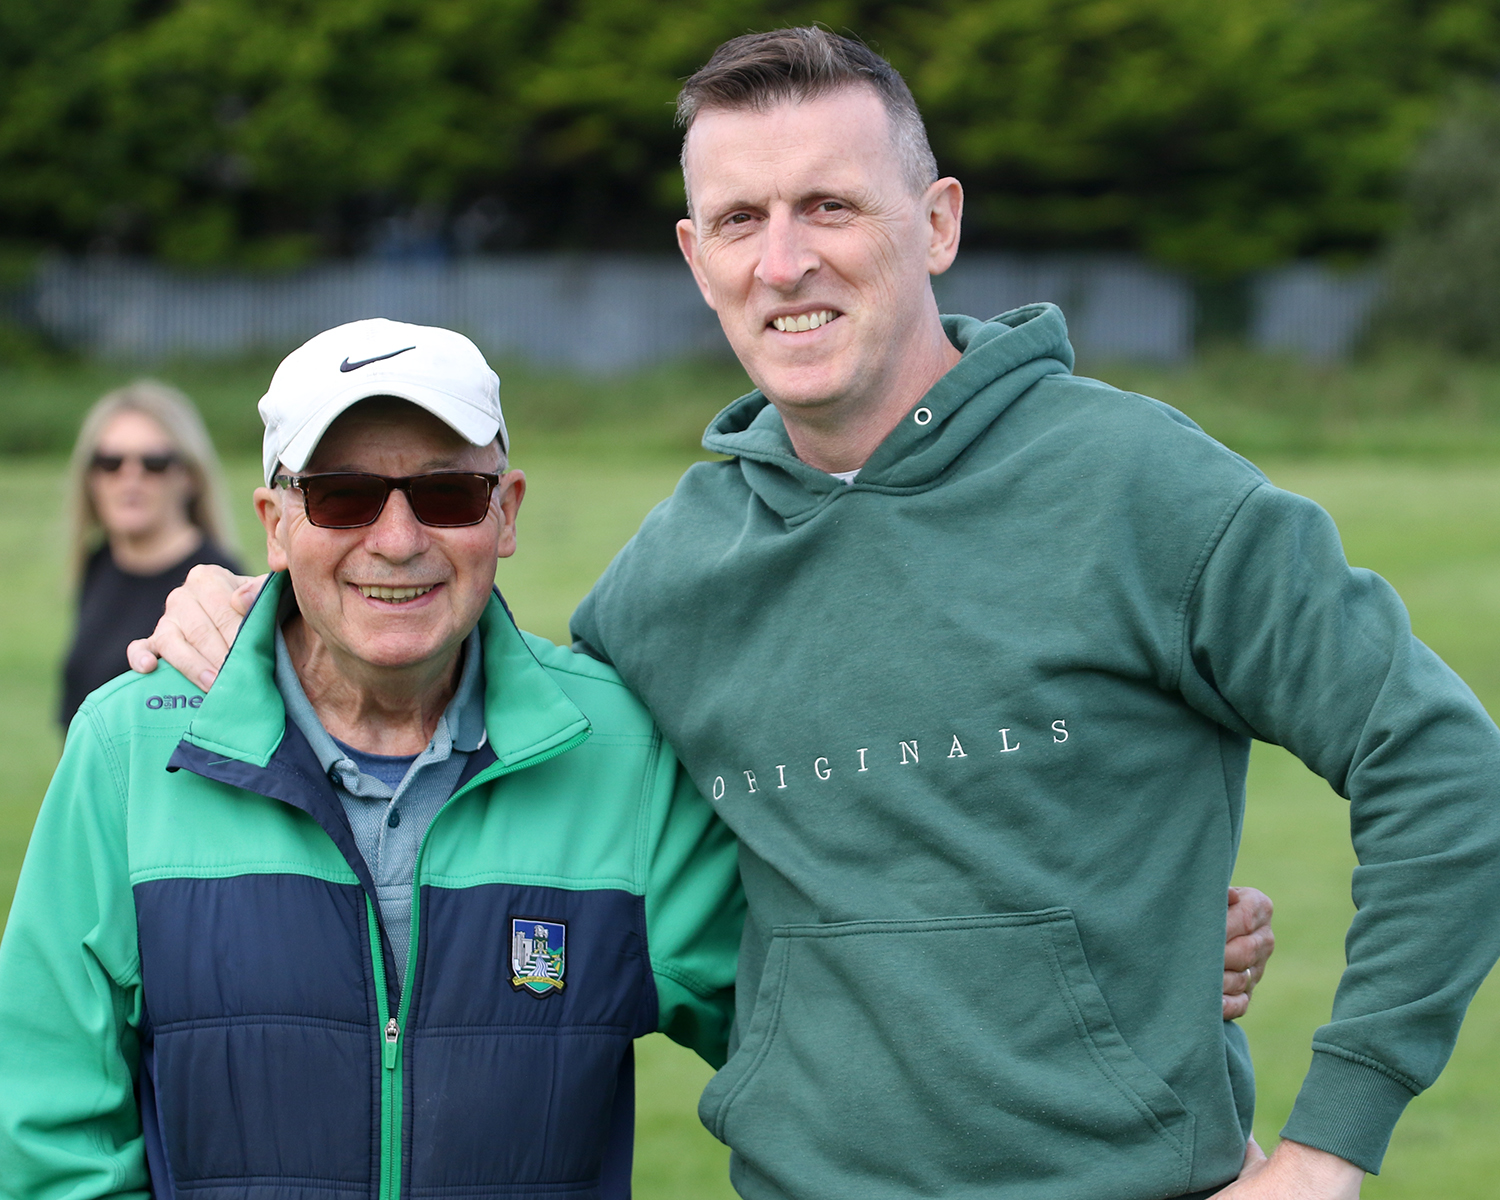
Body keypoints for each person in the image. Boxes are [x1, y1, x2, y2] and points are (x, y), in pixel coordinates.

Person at [118, 37, 1317, 1200]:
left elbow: (1433, 758)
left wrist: (1137, 943)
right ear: (697, 256)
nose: (785, 260)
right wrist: (252, 616)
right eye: (744, 219)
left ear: (939, 221)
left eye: (831, 207)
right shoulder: (663, 589)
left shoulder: (1137, 480)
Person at [0, 319, 744, 1199]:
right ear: (275, 526)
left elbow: (805, 1042)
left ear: (504, 513)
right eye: (344, 496)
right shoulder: (128, 749)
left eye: (448, 494)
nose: (396, 540)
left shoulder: (626, 753)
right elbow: (50, 1139)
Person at [59, 380, 241, 727]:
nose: (130, 476)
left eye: (153, 462)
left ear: (188, 475)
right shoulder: (97, 564)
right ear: (90, 477)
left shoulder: (215, 584)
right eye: (110, 462)